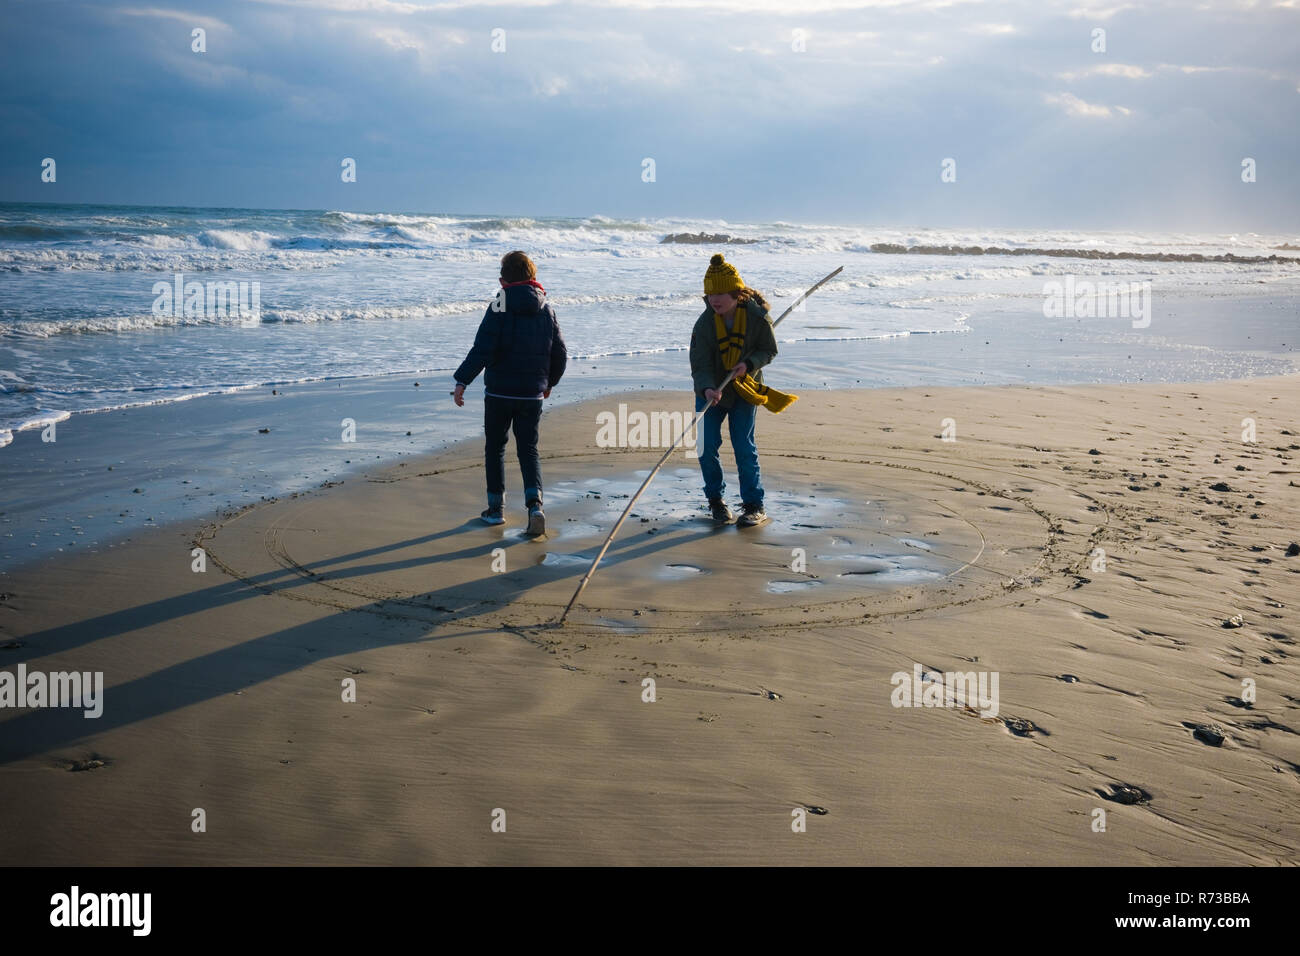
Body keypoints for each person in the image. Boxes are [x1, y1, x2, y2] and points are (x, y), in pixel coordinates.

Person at [453, 251, 566, 535]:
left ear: (505, 279)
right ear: (532, 277)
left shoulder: (499, 305)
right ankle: (535, 505)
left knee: (496, 447)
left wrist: (462, 381)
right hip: (531, 394)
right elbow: (560, 353)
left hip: (500, 393)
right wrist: (549, 382)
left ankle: (495, 510)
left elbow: (483, 348)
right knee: (528, 450)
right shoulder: (546, 309)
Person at [689, 253, 797, 527]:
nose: (715, 299)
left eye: (721, 293)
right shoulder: (704, 325)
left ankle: (753, 505)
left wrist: (748, 364)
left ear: (736, 293)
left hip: (744, 390)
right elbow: (699, 365)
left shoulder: (757, 318)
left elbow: (769, 350)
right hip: (711, 393)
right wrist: (708, 389)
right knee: (705, 446)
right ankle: (716, 501)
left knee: (743, 446)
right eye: (711, 293)